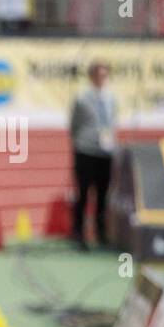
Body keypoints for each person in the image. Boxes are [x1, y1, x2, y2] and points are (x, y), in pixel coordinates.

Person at [69, 60, 118, 250]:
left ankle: (101, 233)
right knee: (83, 193)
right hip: (86, 150)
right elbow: (74, 125)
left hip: (105, 151)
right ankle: (79, 232)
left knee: (103, 194)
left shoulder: (112, 98)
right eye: (99, 75)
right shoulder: (82, 98)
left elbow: (113, 123)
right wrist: (81, 142)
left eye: (105, 75)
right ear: (91, 77)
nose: (102, 78)